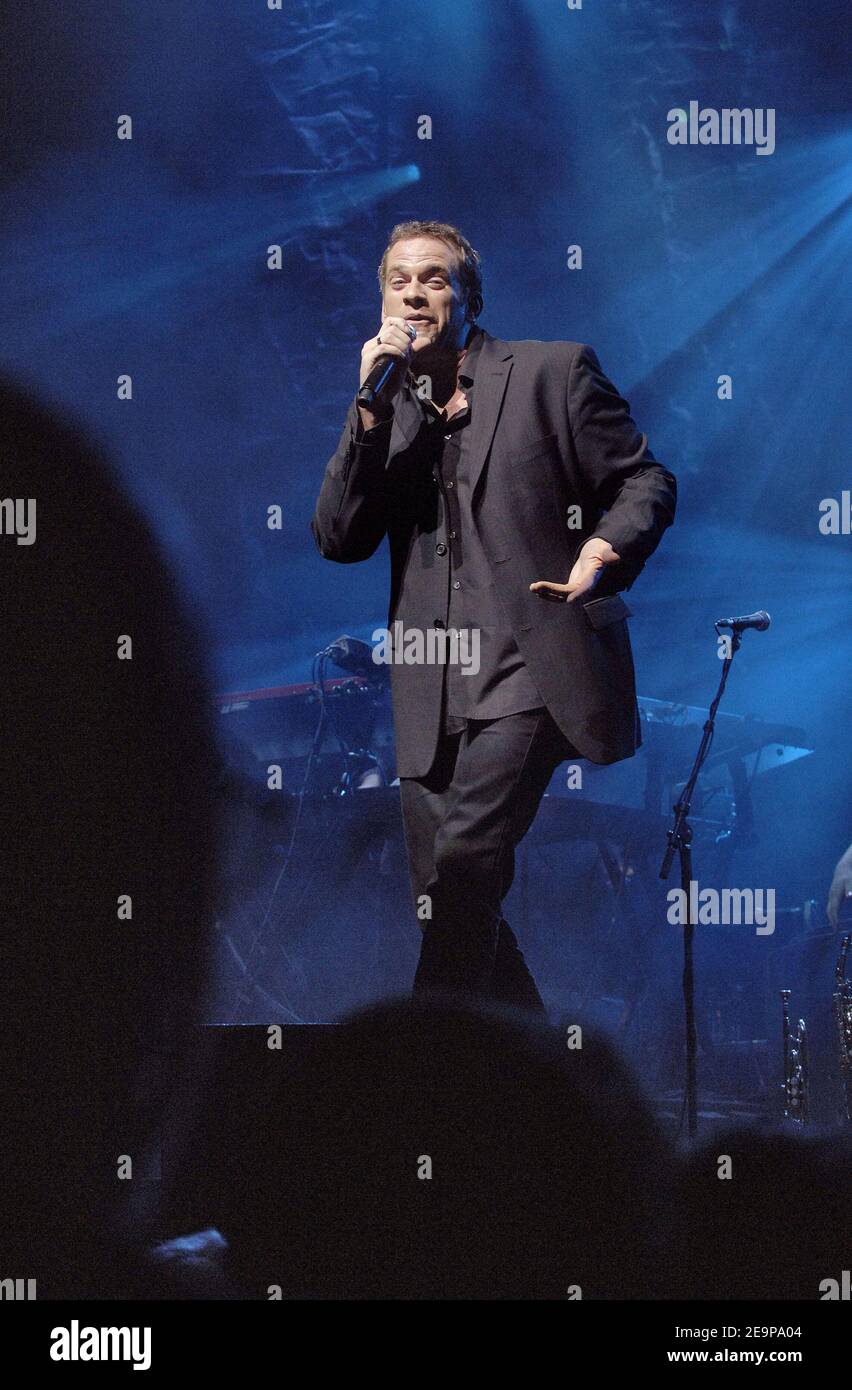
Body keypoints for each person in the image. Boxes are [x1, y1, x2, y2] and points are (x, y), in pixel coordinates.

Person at [311, 220, 676, 1011]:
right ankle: (544, 1087)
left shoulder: (552, 372)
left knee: (469, 862)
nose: (414, 292)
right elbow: (339, 538)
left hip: (531, 665)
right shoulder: (389, 411)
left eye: (435, 279)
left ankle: (418, 1073)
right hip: (430, 688)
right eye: (399, 280)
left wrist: (602, 551)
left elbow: (645, 480)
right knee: (446, 898)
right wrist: (366, 416)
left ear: (469, 299)